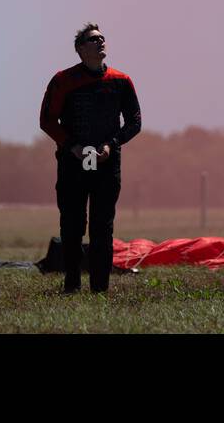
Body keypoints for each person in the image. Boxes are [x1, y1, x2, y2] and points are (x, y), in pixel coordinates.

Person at [38, 22, 142, 293]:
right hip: (74, 162)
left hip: (107, 163)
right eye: (93, 39)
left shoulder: (121, 81)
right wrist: (71, 146)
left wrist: (112, 145)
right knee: (72, 225)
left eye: (102, 38)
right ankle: (71, 285)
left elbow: (134, 121)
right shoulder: (63, 80)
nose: (100, 42)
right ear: (80, 49)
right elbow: (47, 120)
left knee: (102, 226)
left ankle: (100, 288)